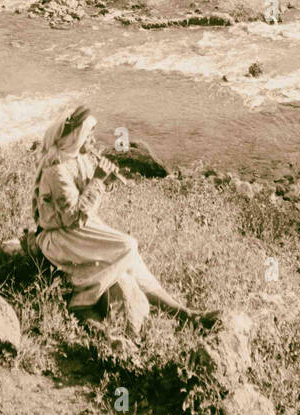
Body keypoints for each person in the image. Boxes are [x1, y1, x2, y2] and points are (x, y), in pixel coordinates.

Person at [32, 106, 219, 327]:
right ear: (77, 137)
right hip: (60, 238)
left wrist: (104, 182)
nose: (93, 140)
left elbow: (87, 208)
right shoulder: (57, 170)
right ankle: (82, 300)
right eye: (89, 135)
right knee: (128, 246)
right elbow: (73, 217)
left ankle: (184, 314)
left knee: (133, 262)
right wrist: (98, 180)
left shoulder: (77, 159)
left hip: (76, 231)